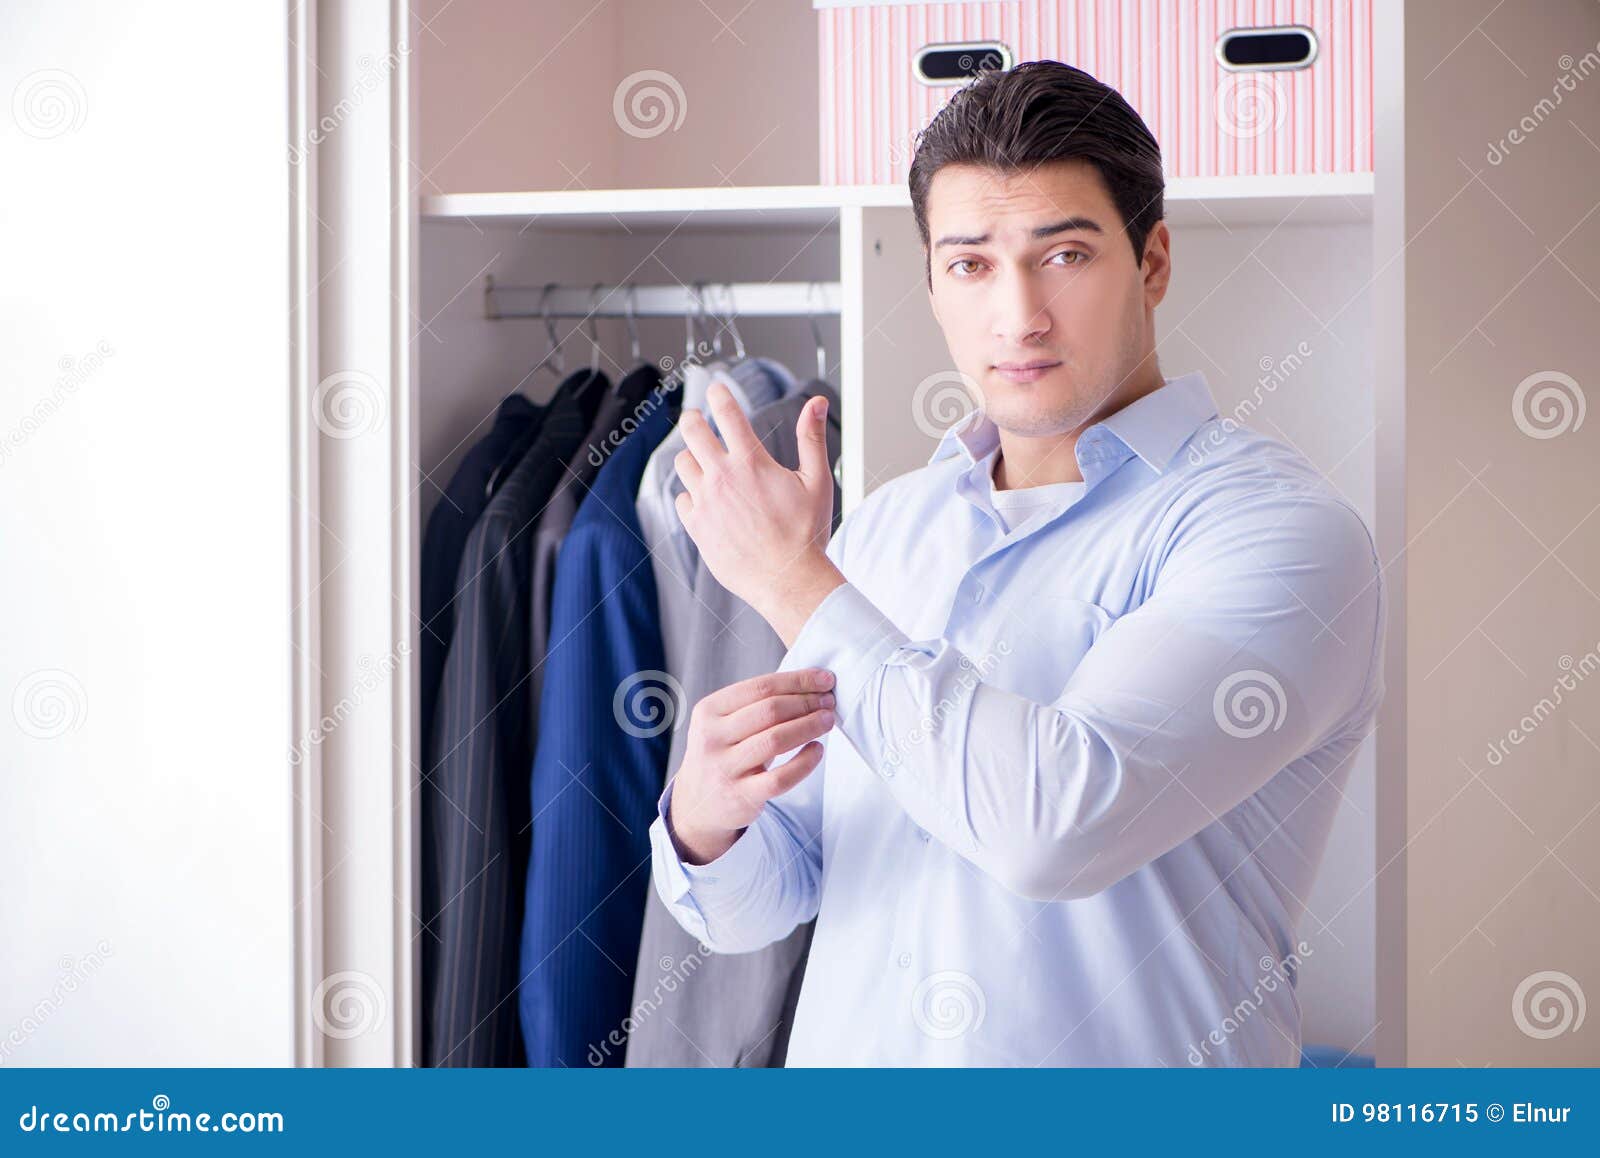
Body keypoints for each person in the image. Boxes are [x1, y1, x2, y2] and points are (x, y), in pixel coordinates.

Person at [652, 60, 1385, 1066]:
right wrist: (707, 822)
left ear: (1153, 262)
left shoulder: (1275, 533)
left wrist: (793, 584)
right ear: (932, 286)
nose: (1018, 315)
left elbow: (1055, 827)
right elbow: (771, 901)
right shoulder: (880, 534)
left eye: (1065, 255)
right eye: (969, 265)